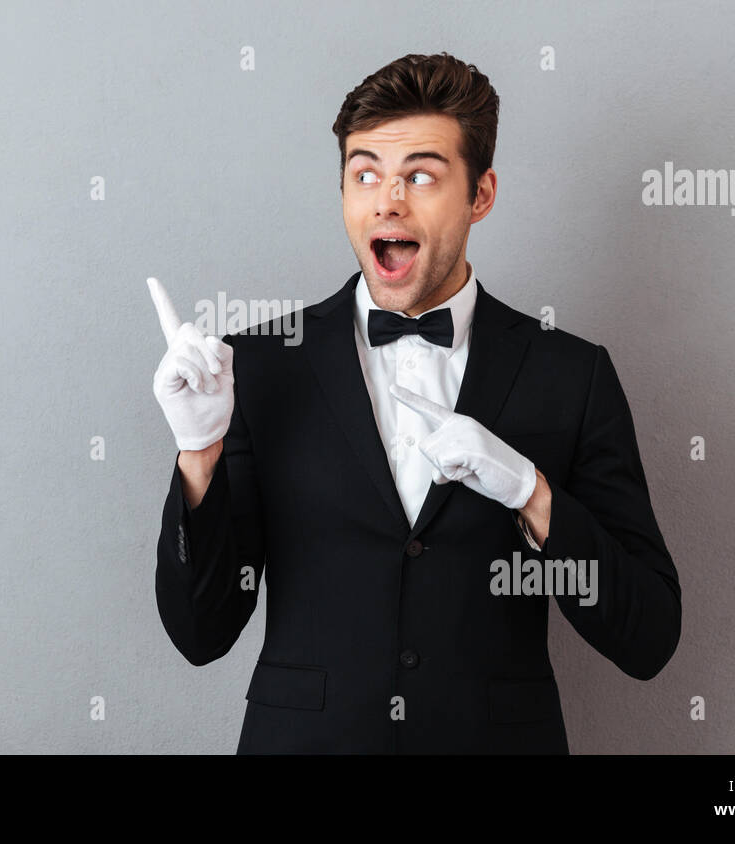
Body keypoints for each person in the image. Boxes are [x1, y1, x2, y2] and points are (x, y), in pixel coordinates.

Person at [148, 52, 681, 754]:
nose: (387, 200)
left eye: (421, 177)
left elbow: (647, 637)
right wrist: (198, 456)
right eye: (364, 173)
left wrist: (533, 494)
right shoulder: (258, 369)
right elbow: (200, 634)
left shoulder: (571, 375)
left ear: (480, 195)